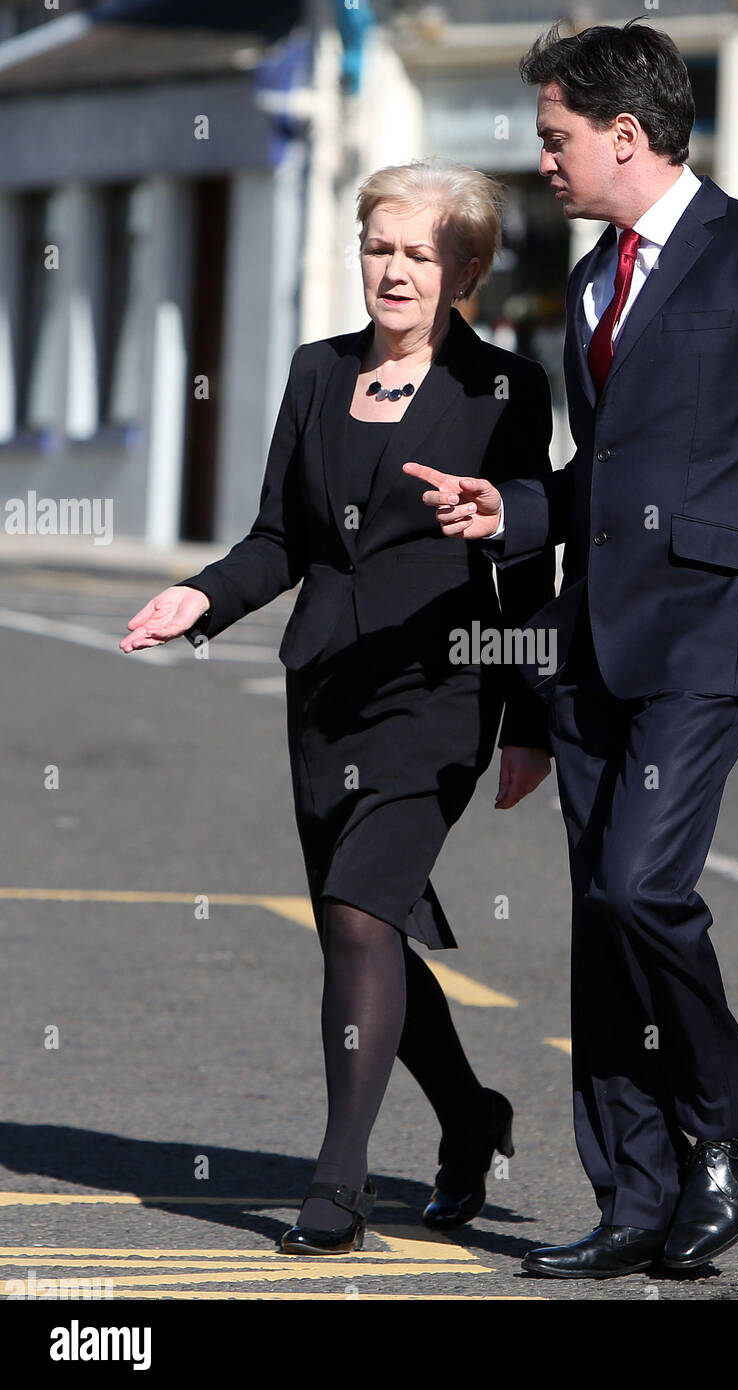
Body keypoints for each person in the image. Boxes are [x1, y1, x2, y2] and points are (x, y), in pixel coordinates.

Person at [404, 21, 738, 1279]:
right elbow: (597, 477)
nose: (540, 160)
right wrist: (513, 509)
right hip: (590, 642)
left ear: (625, 134)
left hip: (713, 635)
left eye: (554, 137)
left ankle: (732, 1126)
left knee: (637, 886)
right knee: (597, 923)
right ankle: (631, 1194)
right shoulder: (599, 275)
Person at [120, 158, 555, 1254]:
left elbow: (533, 555)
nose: (394, 270)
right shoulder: (317, 373)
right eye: (379, 248)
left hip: (442, 687)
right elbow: (281, 539)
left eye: (419, 253)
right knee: (363, 931)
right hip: (325, 694)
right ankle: (471, 1116)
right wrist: (202, 596)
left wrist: (535, 716)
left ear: (464, 270)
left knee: (364, 914)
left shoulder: (502, 387)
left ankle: (338, 1180)